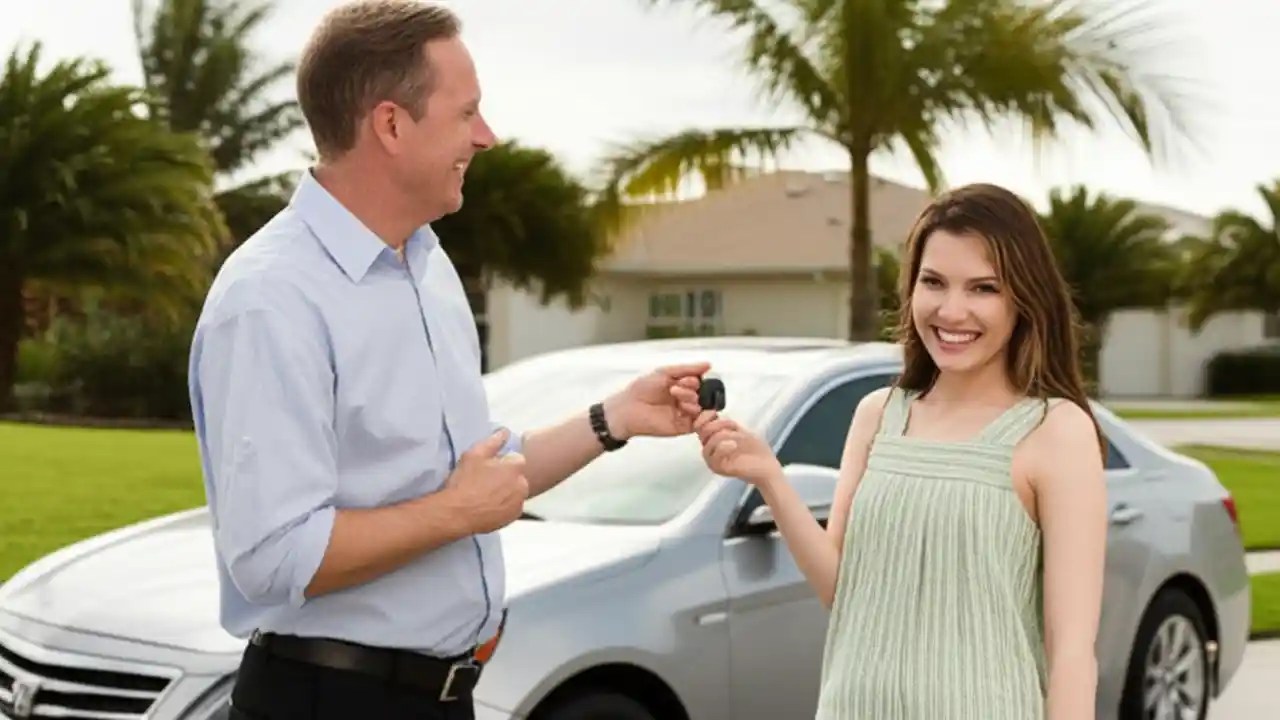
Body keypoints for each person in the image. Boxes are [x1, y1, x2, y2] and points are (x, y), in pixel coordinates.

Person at [186, 2, 707, 718]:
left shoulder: (427, 268)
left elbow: (475, 477)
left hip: (442, 698)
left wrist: (614, 418)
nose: (486, 137)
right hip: (326, 702)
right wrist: (452, 513)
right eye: (468, 113)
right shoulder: (270, 299)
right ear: (392, 125)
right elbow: (273, 556)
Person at [695, 183, 1109, 720]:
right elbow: (843, 592)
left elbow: (1072, 652)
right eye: (933, 282)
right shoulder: (876, 415)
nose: (951, 310)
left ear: (1024, 300)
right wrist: (769, 478)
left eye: (984, 288)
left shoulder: (1056, 431)